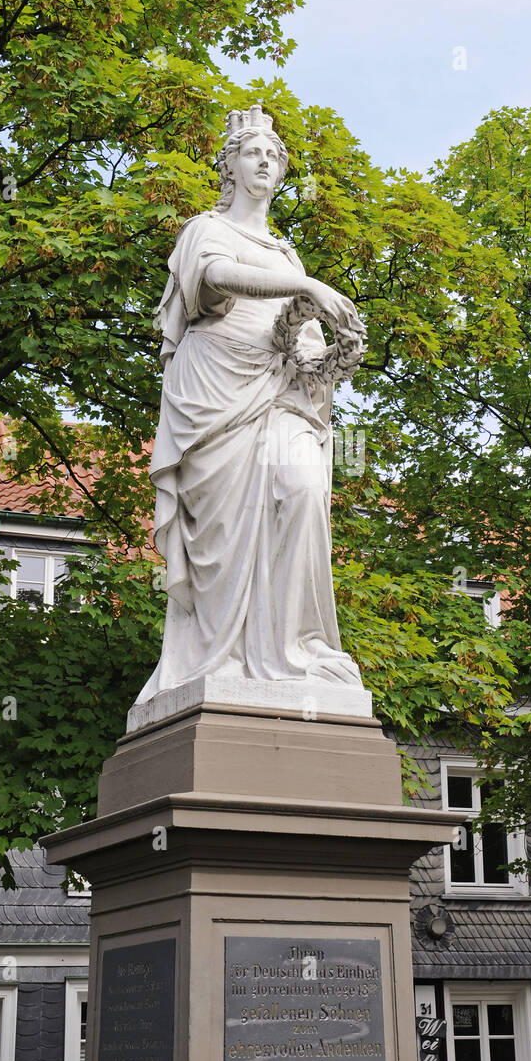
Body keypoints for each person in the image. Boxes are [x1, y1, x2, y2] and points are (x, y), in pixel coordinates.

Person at [136, 106, 365, 701]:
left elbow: (303, 331)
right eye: (252, 152)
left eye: (274, 155)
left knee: (305, 490)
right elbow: (214, 278)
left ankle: (295, 650)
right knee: (225, 539)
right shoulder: (204, 230)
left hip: (281, 390)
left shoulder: (287, 253)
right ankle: (220, 660)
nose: (264, 161)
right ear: (230, 167)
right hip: (214, 392)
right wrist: (307, 286)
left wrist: (323, 360)